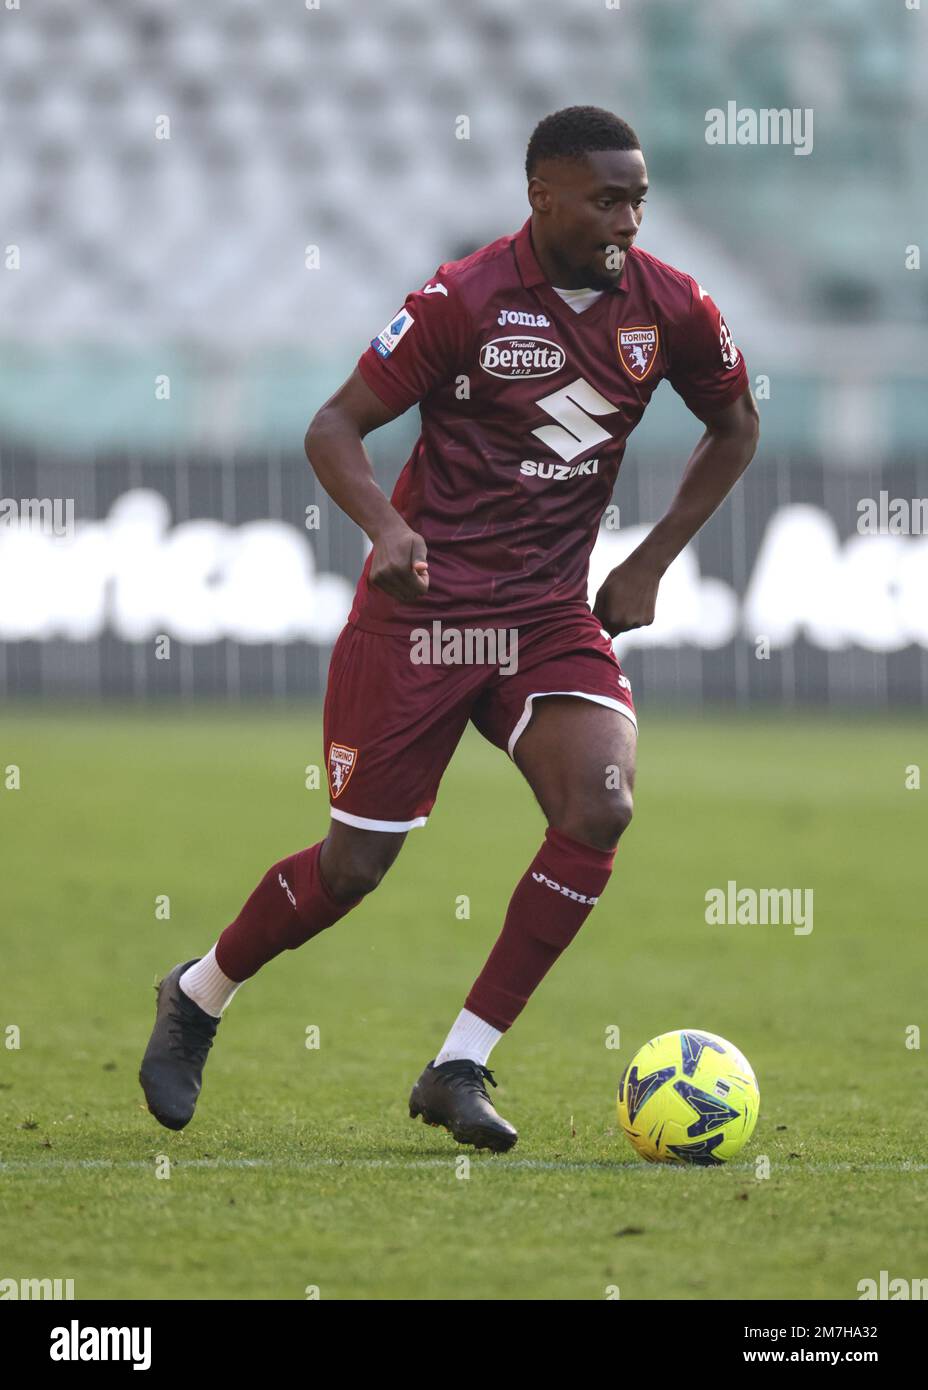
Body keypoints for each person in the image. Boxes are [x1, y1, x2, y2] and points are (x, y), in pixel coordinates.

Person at [140, 105, 759, 1152]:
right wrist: (384, 527)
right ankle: (198, 993)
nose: (629, 218)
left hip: (545, 613)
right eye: (608, 198)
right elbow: (332, 426)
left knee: (600, 804)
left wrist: (649, 559)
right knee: (351, 873)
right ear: (543, 198)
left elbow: (735, 425)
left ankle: (459, 1062)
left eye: (640, 197)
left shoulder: (673, 308)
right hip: (422, 619)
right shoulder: (460, 299)